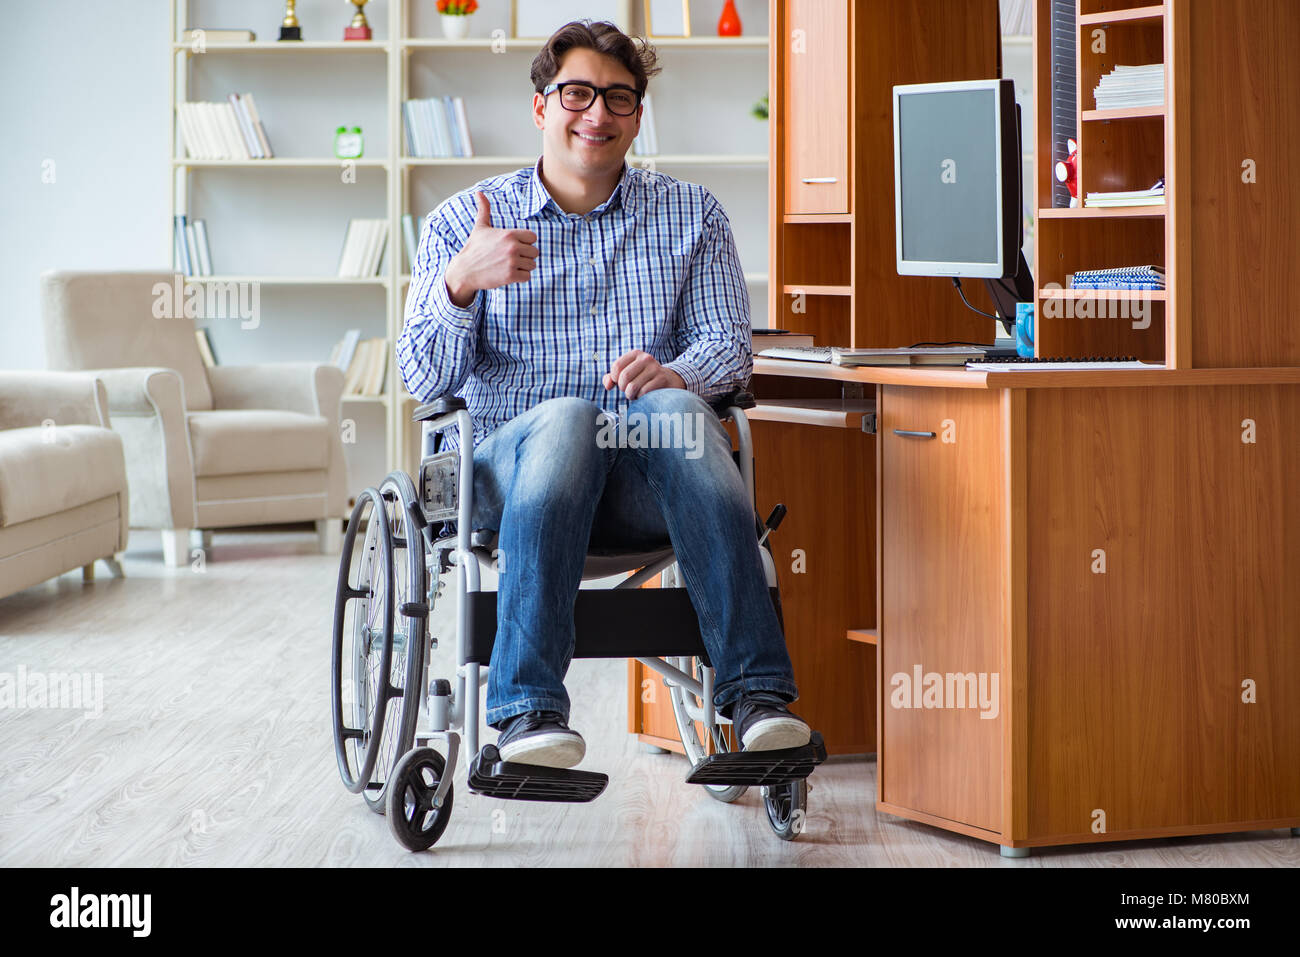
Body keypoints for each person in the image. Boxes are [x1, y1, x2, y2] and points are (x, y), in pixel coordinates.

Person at [397, 20, 809, 769]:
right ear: (541, 108)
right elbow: (422, 380)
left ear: (637, 117)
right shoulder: (466, 221)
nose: (598, 114)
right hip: (510, 478)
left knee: (680, 412)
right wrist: (461, 283)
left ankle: (756, 698)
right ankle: (525, 713)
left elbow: (727, 344)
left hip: (638, 487)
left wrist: (678, 375)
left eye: (618, 98)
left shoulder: (692, 215)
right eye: (578, 94)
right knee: (568, 419)